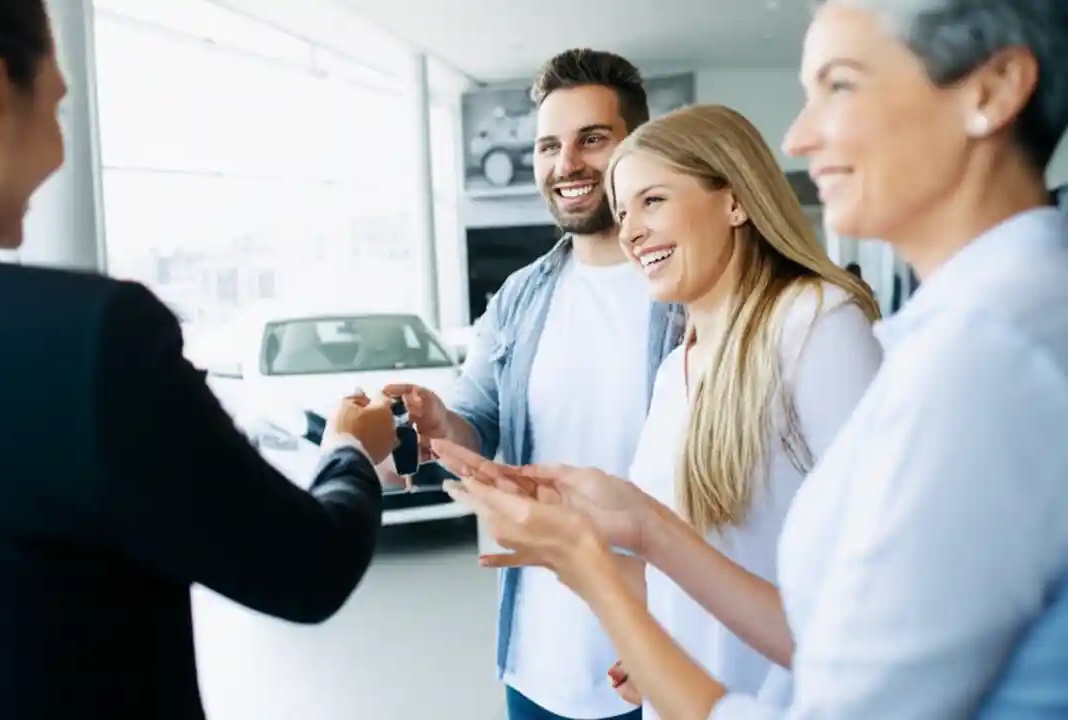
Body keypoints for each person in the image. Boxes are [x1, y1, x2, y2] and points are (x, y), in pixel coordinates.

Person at [436, 0, 1068, 717]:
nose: (798, 137)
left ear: (990, 90)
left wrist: (593, 573)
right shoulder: (943, 339)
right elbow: (822, 633)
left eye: (840, 85)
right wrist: (637, 532)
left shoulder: (989, 359)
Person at [0, 2, 396, 718]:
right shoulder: (85, 337)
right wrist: (351, 452)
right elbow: (305, 570)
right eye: (57, 108)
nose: (57, 148)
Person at [386, 49, 684, 720]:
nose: (566, 163)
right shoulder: (521, 296)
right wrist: (440, 424)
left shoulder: (689, 292)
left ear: (635, 146)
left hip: (663, 644)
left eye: (592, 139)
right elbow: (475, 419)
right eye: (549, 145)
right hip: (537, 657)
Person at [587, 103, 878, 715]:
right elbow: (675, 565)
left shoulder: (818, 324)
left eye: (653, 200)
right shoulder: (674, 371)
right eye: (622, 212)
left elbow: (875, 586)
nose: (630, 232)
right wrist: (653, 653)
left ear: (735, 201)